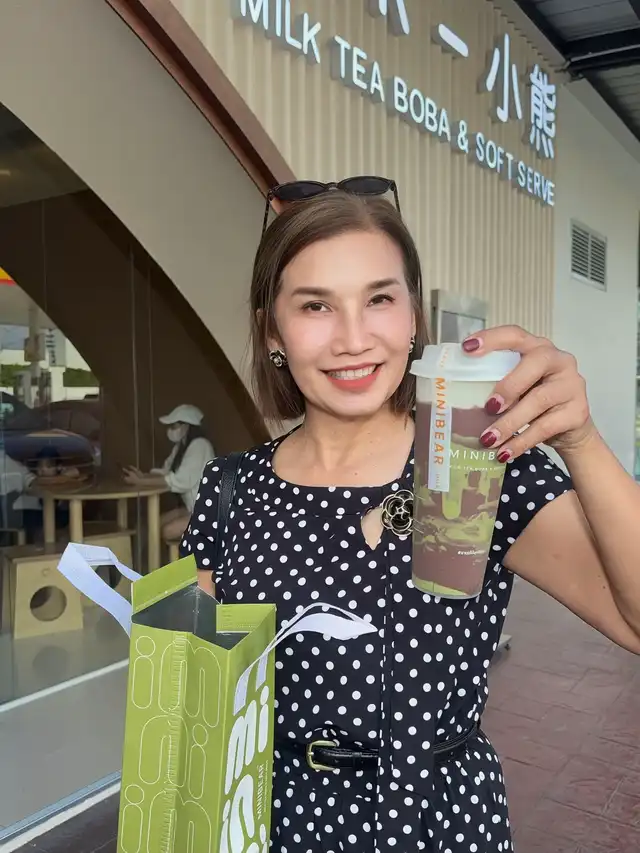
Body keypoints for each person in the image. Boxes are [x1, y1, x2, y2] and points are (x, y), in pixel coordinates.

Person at [180, 186, 640, 853]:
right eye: (315, 305)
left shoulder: (466, 466)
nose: (353, 338)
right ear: (272, 331)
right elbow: (195, 698)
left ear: (413, 314)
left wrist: (581, 439)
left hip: (433, 824)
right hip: (270, 823)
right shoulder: (233, 488)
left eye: (379, 299)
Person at [124, 404, 213, 541]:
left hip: (210, 513)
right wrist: (143, 476)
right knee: (150, 525)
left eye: (174, 426)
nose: (170, 430)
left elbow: (180, 481)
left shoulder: (200, 445)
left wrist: (140, 481)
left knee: (167, 531)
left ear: (186, 426)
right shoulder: (181, 447)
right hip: (191, 508)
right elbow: (166, 471)